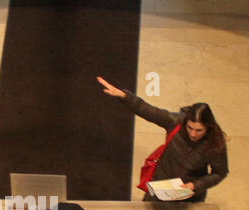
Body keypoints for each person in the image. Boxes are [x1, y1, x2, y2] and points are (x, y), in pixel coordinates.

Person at [95, 76, 228, 202]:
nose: (193, 134)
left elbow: (219, 173)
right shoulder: (176, 121)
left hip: (188, 196)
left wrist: (195, 185)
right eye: (190, 128)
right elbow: (147, 110)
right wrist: (125, 97)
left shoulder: (215, 142)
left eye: (199, 130)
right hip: (160, 187)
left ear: (208, 127)